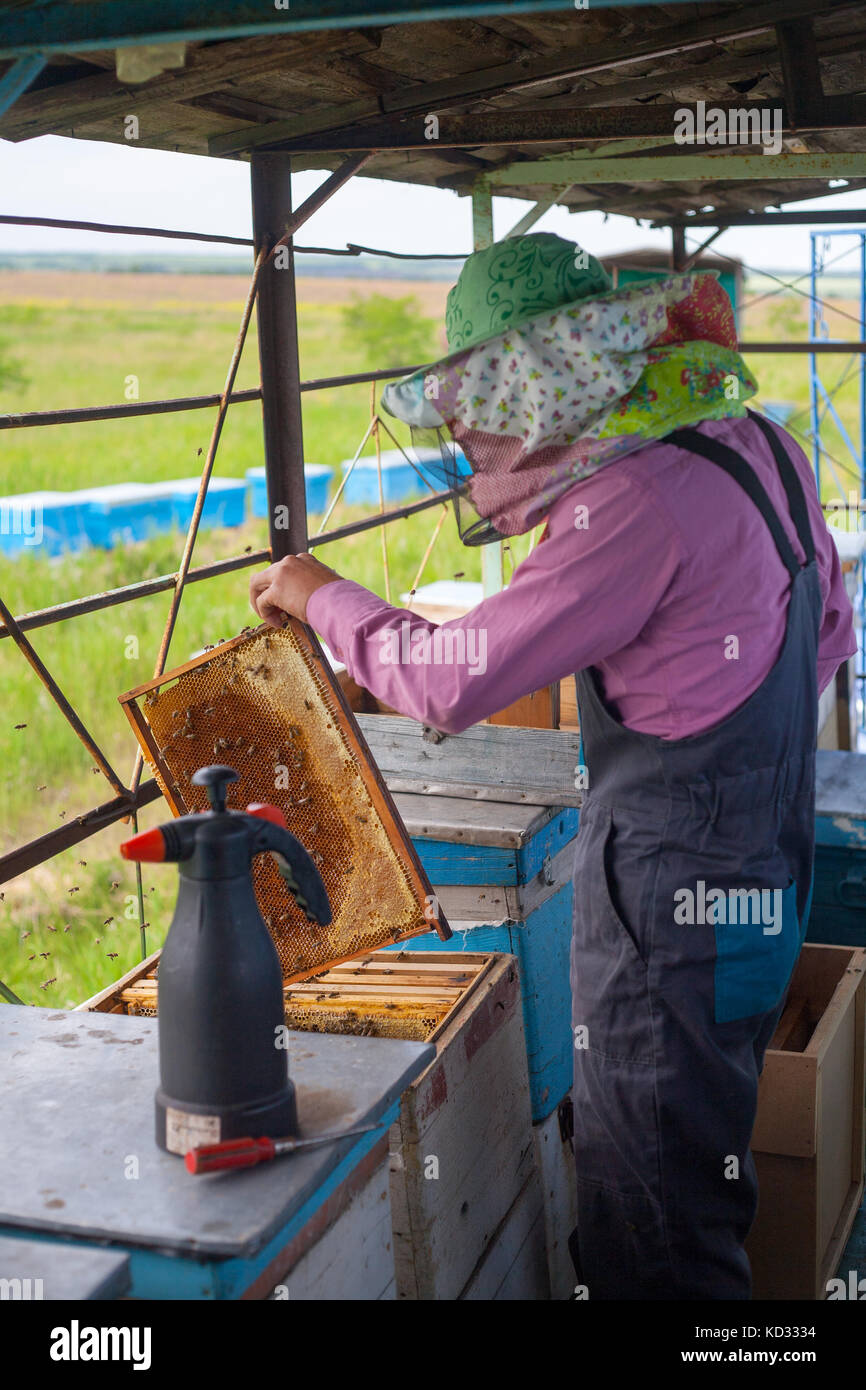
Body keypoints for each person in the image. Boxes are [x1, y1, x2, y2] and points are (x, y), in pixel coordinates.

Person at [250, 233, 855, 1300]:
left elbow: (445, 681)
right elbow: (824, 640)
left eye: (482, 425)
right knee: (701, 1185)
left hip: (667, 932)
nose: (473, 452)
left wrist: (317, 593)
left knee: (654, 1239)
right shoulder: (754, 441)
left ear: (541, 391)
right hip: (763, 885)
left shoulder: (631, 500)